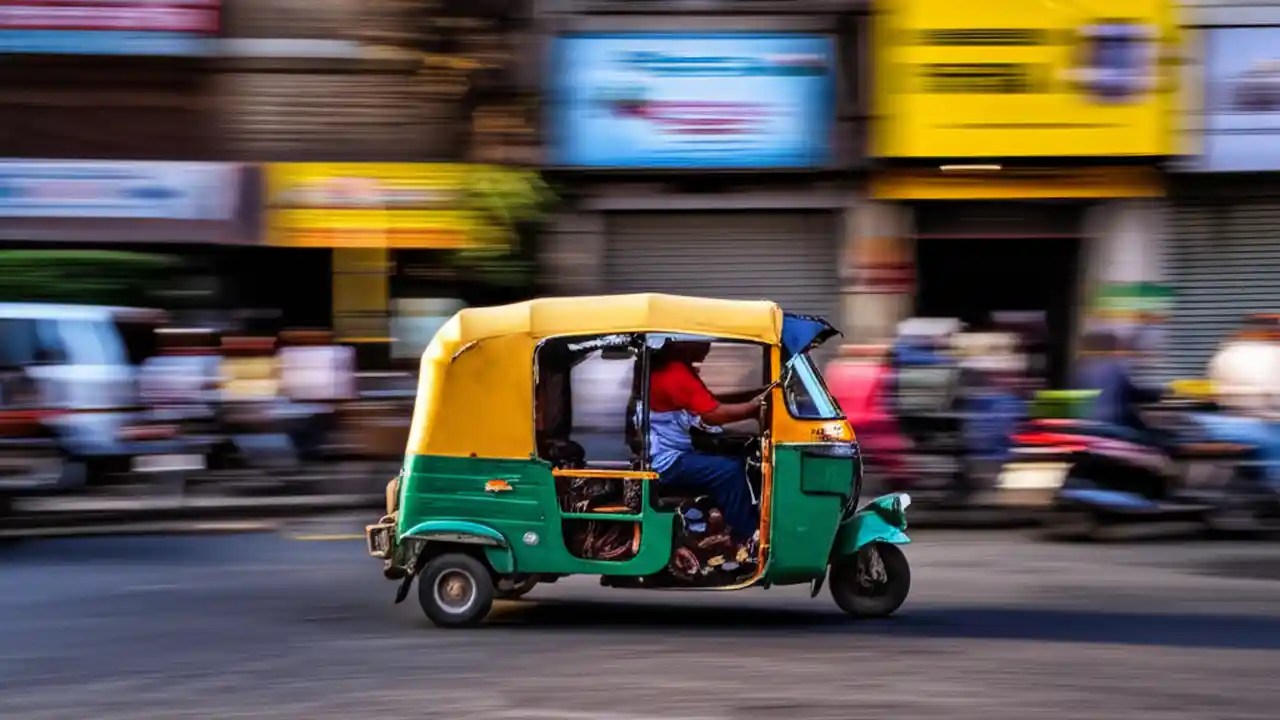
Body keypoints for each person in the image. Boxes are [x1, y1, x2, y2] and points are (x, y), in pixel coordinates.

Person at [646, 340, 765, 549]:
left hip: (671, 452)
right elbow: (712, 414)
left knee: (739, 457)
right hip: (667, 461)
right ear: (683, 341)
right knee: (729, 471)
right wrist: (754, 409)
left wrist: (754, 397)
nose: (708, 348)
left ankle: (727, 522)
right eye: (704, 341)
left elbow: (709, 401)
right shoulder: (674, 373)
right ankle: (747, 537)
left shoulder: (677, 368)